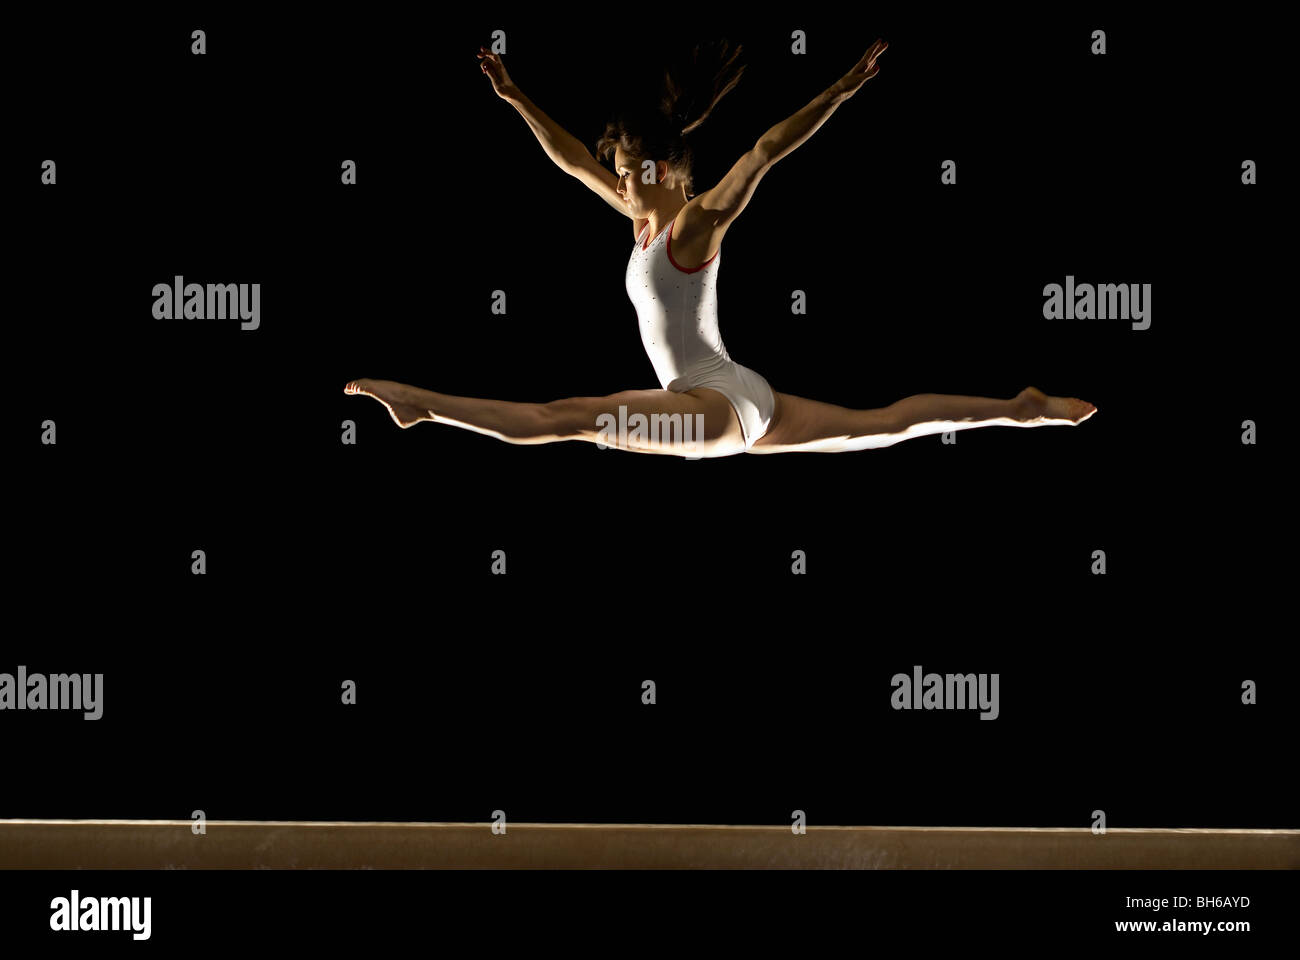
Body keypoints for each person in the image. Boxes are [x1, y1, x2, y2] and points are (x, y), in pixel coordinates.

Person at [345, 38, 1095, 457]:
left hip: (715, 411)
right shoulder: (642, 222)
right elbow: (573, 158)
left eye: (628, 174)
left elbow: (764, 151)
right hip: (741, 395)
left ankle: (423, 407)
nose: (618, 185)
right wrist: (515, 99)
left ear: (662, 170)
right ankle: (1020, 408)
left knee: (573, 417)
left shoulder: (696, 223)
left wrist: (834, 93)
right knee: (886, 423)